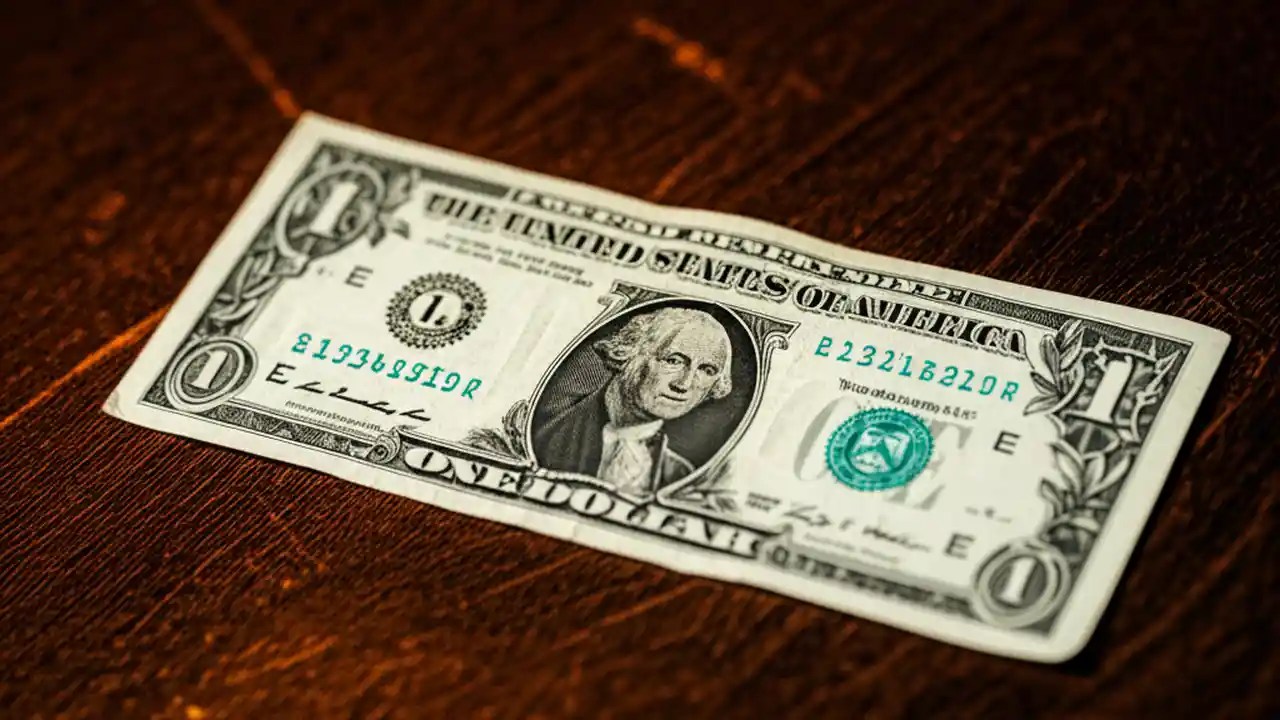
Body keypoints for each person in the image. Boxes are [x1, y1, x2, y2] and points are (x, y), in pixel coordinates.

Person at [533, 307, 733, 498]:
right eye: (673, 361)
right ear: (629, 355)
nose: (684, 384)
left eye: (707, 370)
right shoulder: (547, 433)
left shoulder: (679, 474)